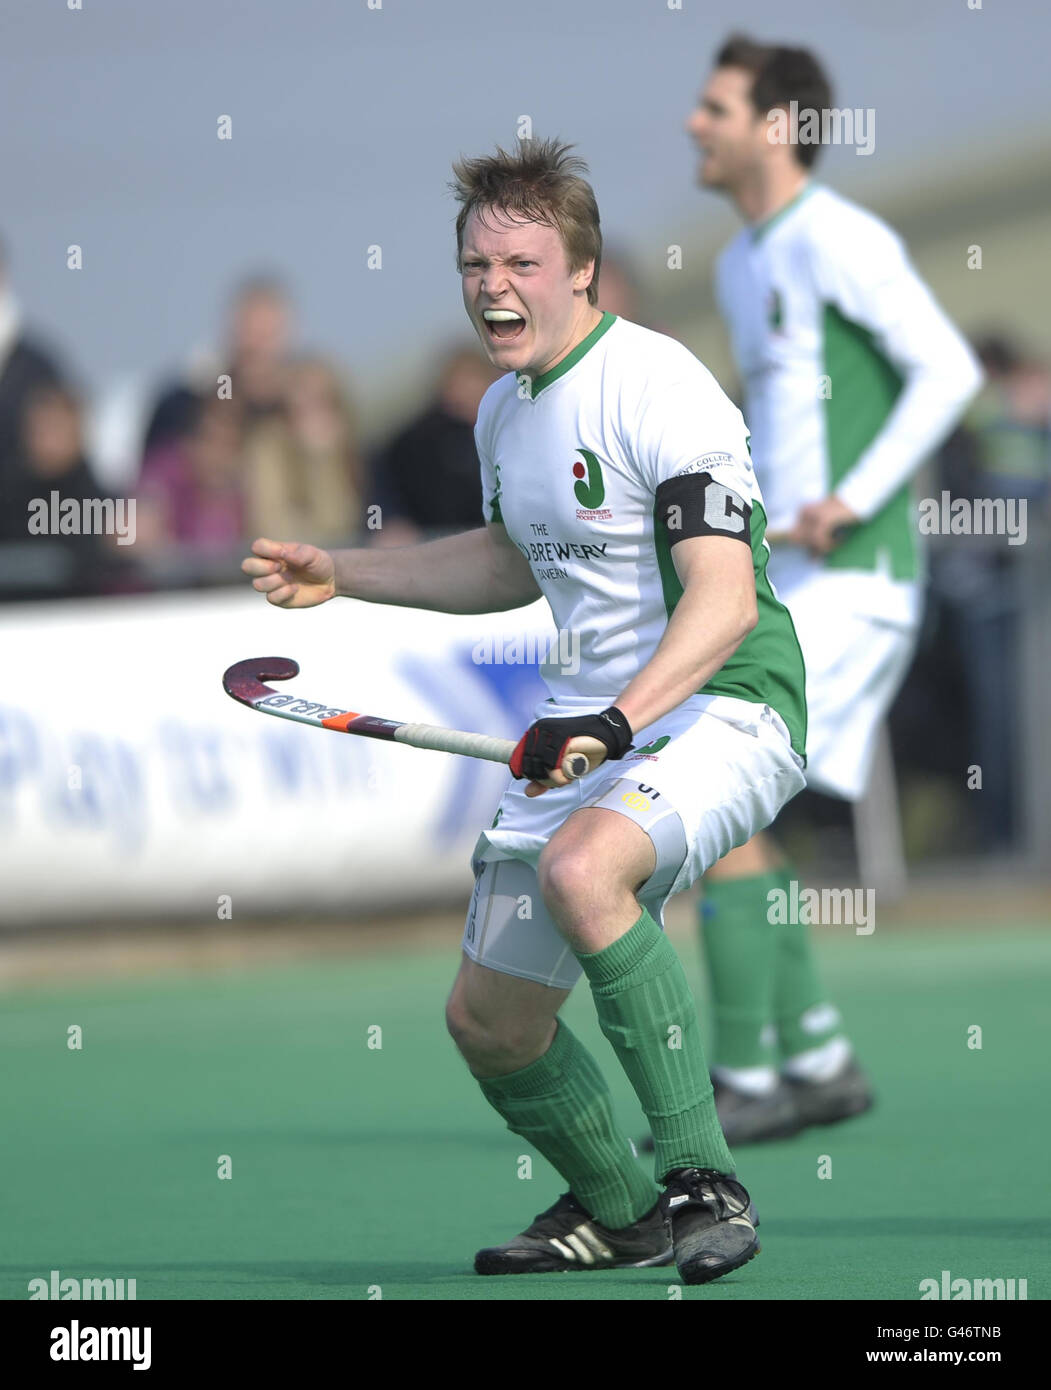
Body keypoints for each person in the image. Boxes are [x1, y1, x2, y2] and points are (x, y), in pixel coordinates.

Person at [241, 138, 807, 1284]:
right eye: (474, 264)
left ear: (581, 268)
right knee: (489, 1022)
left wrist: (615, 721)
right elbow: (509, 560)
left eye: (520, 263)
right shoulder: (503, 409)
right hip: (587, 725)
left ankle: (705, 1182)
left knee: (585, 872)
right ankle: (619, 1210)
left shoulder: (658, 384)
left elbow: (724, 600)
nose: (492, 286)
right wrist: (343, 573)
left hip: (724, 701)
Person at [682, 34, 983, 1142]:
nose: (692, 124)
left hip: (856, 582)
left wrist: (849, 499)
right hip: (797, 584)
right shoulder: (739, 260)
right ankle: (813, 1058)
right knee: (733, 809)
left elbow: (948, 370)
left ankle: (750, 1081)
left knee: (709, 787)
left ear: (775, 126)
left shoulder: (840, 236)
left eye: (715, 108)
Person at [370, 345, 499, 546]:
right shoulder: (413, 444)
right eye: (458, 384)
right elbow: (378, 502)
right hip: (435, 549)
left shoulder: (511, 435)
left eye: (473, 382)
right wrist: (385, 523)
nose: (464, 393)